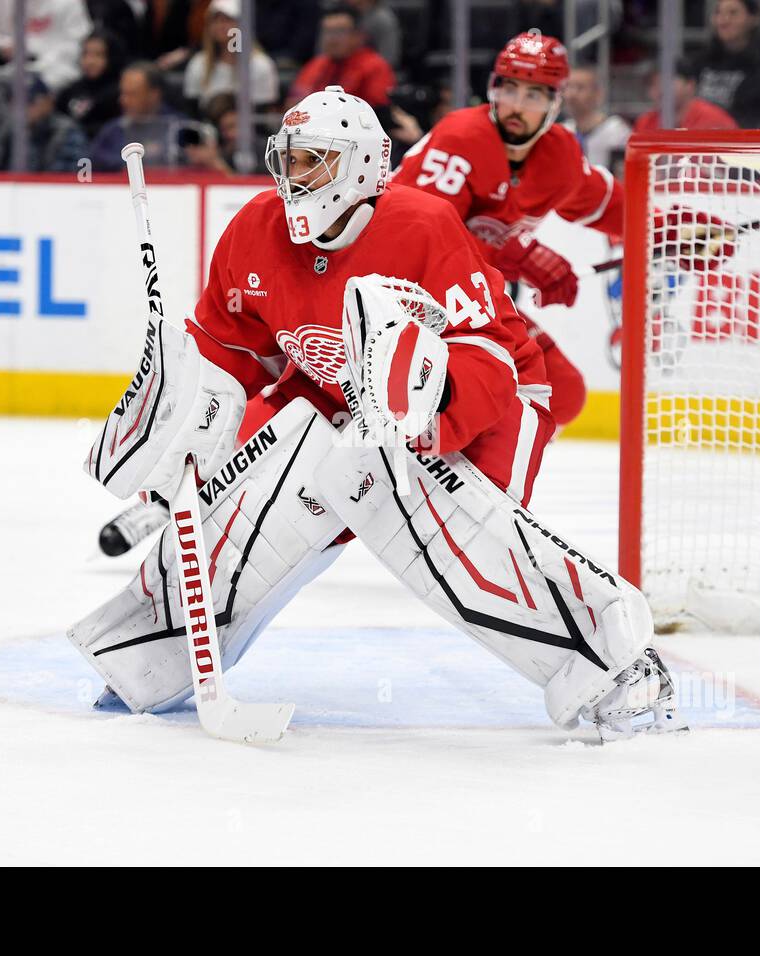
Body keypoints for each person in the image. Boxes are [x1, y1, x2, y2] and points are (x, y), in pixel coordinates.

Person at [72, 85, 684, 740]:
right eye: (290, 159)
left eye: (315, 160)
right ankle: (149, 658)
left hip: (490, 395)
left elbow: (489, 363)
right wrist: (185, 414)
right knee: (248, 500)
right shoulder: (252, 231)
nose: (294, 177)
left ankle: (617, 664)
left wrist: (418, 422)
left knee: (447, 527)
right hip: (339, 397)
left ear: (363, 165)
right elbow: (226, 354)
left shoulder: (420, 227)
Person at [393, 33, 623, 433]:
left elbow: (616, 207)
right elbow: (417, 241)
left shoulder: (560, 155)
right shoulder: (461, 137)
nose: (517, 105)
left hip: (468, 304)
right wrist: (515, 256)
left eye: (534, 95)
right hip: (399, 296)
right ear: (493, 89)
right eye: (509, 88)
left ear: (554, 102)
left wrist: (676, 227)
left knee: (561, 392)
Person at [0, 0, 91, 124]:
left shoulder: (70, 3)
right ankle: (10, 131)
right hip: (18, 66)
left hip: (57, 70)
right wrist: (5, 45)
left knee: (39, 90)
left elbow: (79, 43)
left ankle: (42, 136)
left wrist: (42, 58)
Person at [0, 75, 88, 172]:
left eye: (30, 102)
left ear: (48, 102)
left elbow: (78, 172)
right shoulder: (8, 130)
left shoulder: (67, 131)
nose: (23, 109)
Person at [693, 0, 760, 128]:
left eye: (733, 13)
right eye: (718, 13)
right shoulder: (701, 59)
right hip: (699, 133)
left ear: (754, 18)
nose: (723, 21)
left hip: (745, 137)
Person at [287, 5, 395, 107]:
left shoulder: (375, 67)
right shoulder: (315, 64)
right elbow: (293, 103)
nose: (332, 39)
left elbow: (379, 111)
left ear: (358, 35)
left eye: (340, 31)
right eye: (327, 31)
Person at [182, 0, 279, 113]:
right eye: (215, 20)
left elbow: (263, 113)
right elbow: (192, 111)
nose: (220, 26)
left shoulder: (260, 65)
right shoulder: (198, 64)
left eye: (227, 20)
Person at [89, 62, 188, 171]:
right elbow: (92, 164)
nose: (123, 100)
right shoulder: (112, 131)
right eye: (123, 93)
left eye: (132, 94)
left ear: (154, 95)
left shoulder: (181, 127)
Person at [633, 57, 738, 133]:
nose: (659, 89)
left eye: (665, 81)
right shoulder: (645, 123)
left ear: (690, 84)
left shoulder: (715, 120)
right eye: (652, 84)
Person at [57, 30, 127, 140]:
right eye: (86, 54)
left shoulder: (121, 92)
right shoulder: (70, 91)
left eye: (98, 55)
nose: (90, 61)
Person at [561, 65, 631, 174]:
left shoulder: (616, 130)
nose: (571, 95)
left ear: (598, 94)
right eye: (568, 87)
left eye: (580, 87)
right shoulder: (563, 130)